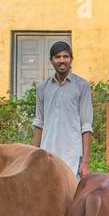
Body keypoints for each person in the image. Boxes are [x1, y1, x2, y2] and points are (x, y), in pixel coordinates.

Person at [32, 40, 93, 178]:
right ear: (51, 60)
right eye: (57, 57)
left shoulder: (82, 86)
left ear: (71, 59)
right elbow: (39, 123)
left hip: (72, 156)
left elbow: (87, 126)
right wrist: (32, 157)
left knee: (72, 197)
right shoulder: (43, 88)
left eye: (65, 56)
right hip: (47, 154)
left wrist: (85, 162)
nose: (62, 60)